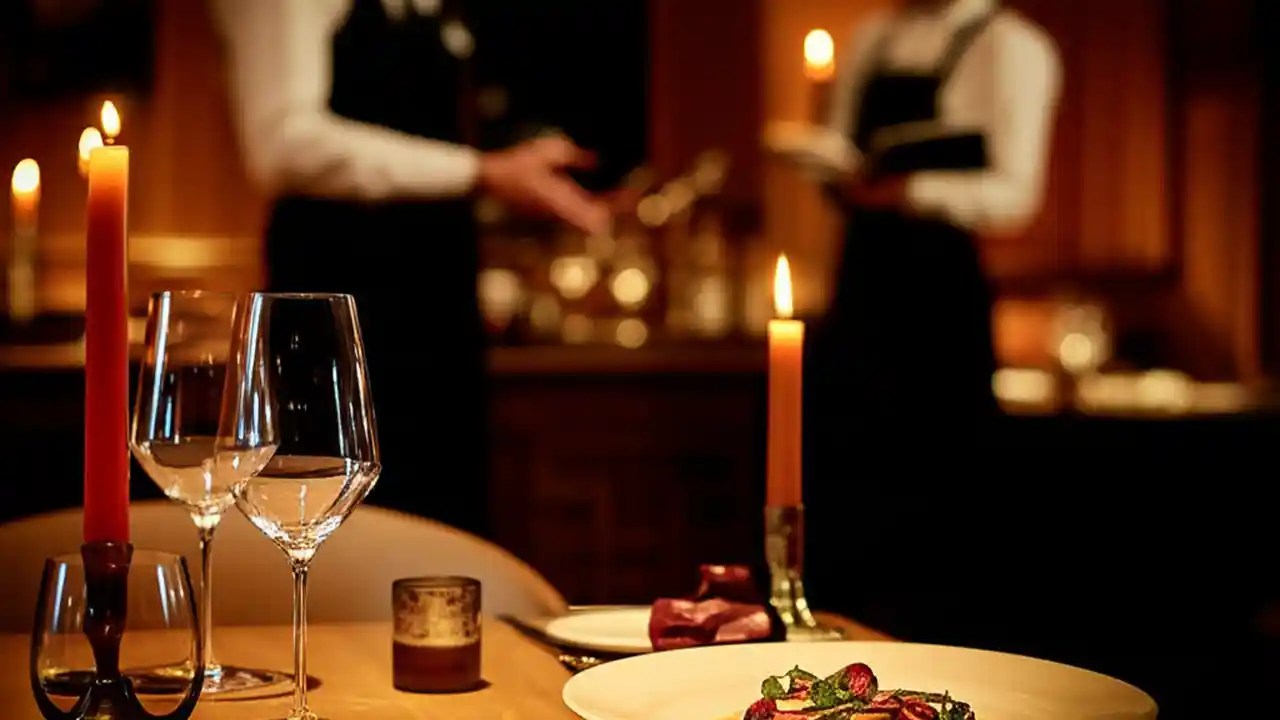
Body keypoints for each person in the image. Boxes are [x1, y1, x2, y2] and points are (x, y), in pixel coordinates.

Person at [212, 0, 610, 537]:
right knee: (336, 533)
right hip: (336, 314)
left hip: (439, 313)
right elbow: (283, 144)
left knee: (445, 533)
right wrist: (481, 171)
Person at [799, 0, 1062, 631]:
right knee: (844, 497)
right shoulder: (875, 37)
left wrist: (911, 191)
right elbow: (841, 143)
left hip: (938, 304)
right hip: (860, 291)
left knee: (938, 510)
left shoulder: (1012, 46)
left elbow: (1016, 195)